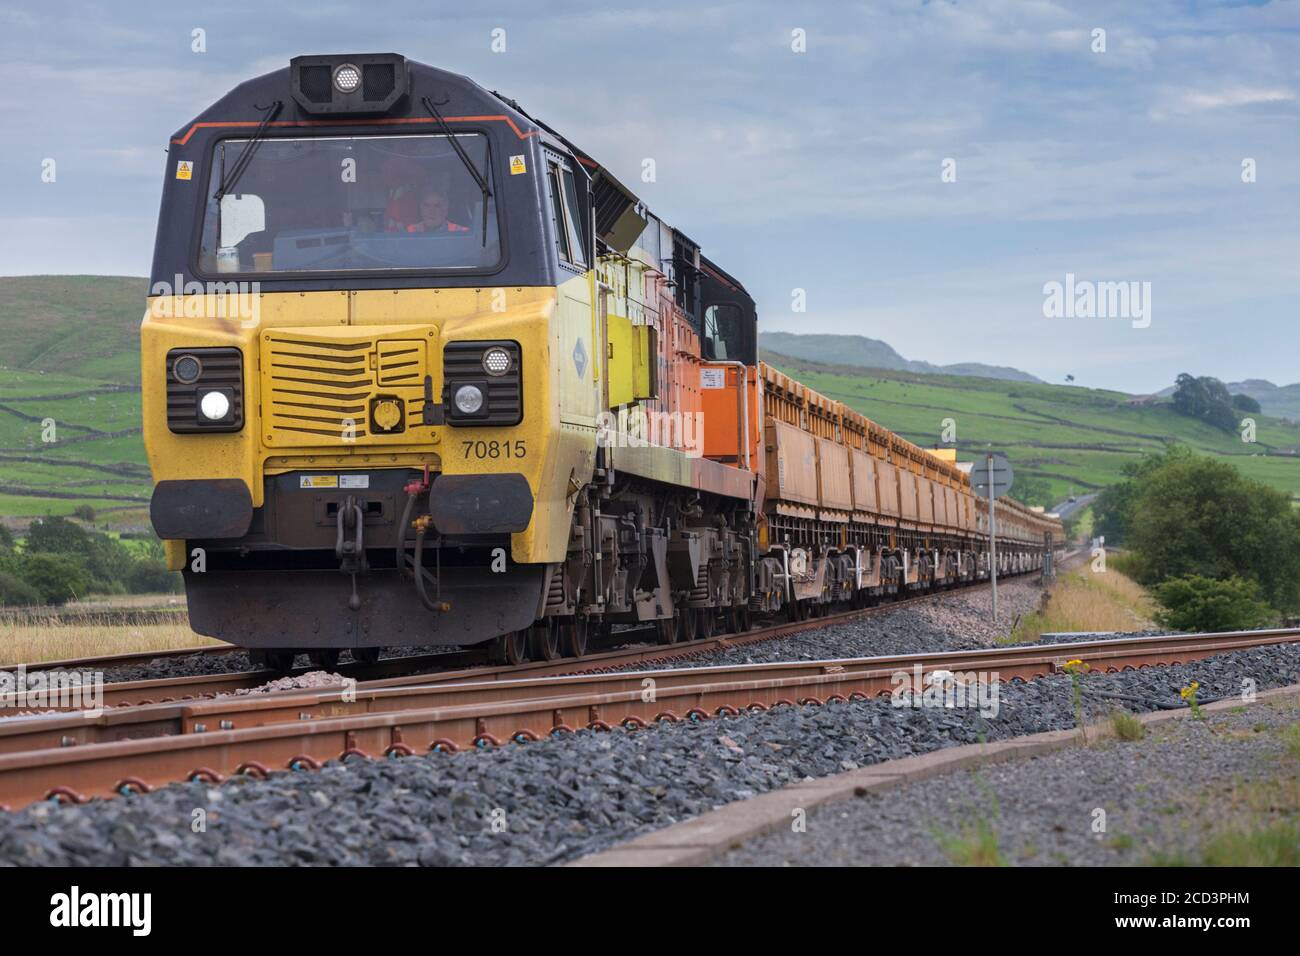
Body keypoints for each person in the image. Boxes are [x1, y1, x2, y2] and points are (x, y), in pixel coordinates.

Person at [388, 189, 469, 234]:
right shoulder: (408, 233)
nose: (431, 211)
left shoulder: (462, 233)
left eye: (437, 206)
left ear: (446, 209)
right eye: (426, 206)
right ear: (421, 209)